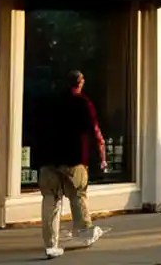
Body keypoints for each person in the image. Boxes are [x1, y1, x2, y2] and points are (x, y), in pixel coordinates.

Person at [35, 70, 106, 259]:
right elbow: (95, 131)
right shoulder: (84, 103)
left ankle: (51, 245)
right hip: (74, 159)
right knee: (78, 195)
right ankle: (84, 232)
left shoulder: (49, 102)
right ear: (80, 82)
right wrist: (102, 156)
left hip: (48, 158)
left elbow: (37, 127)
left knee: (50, 199)